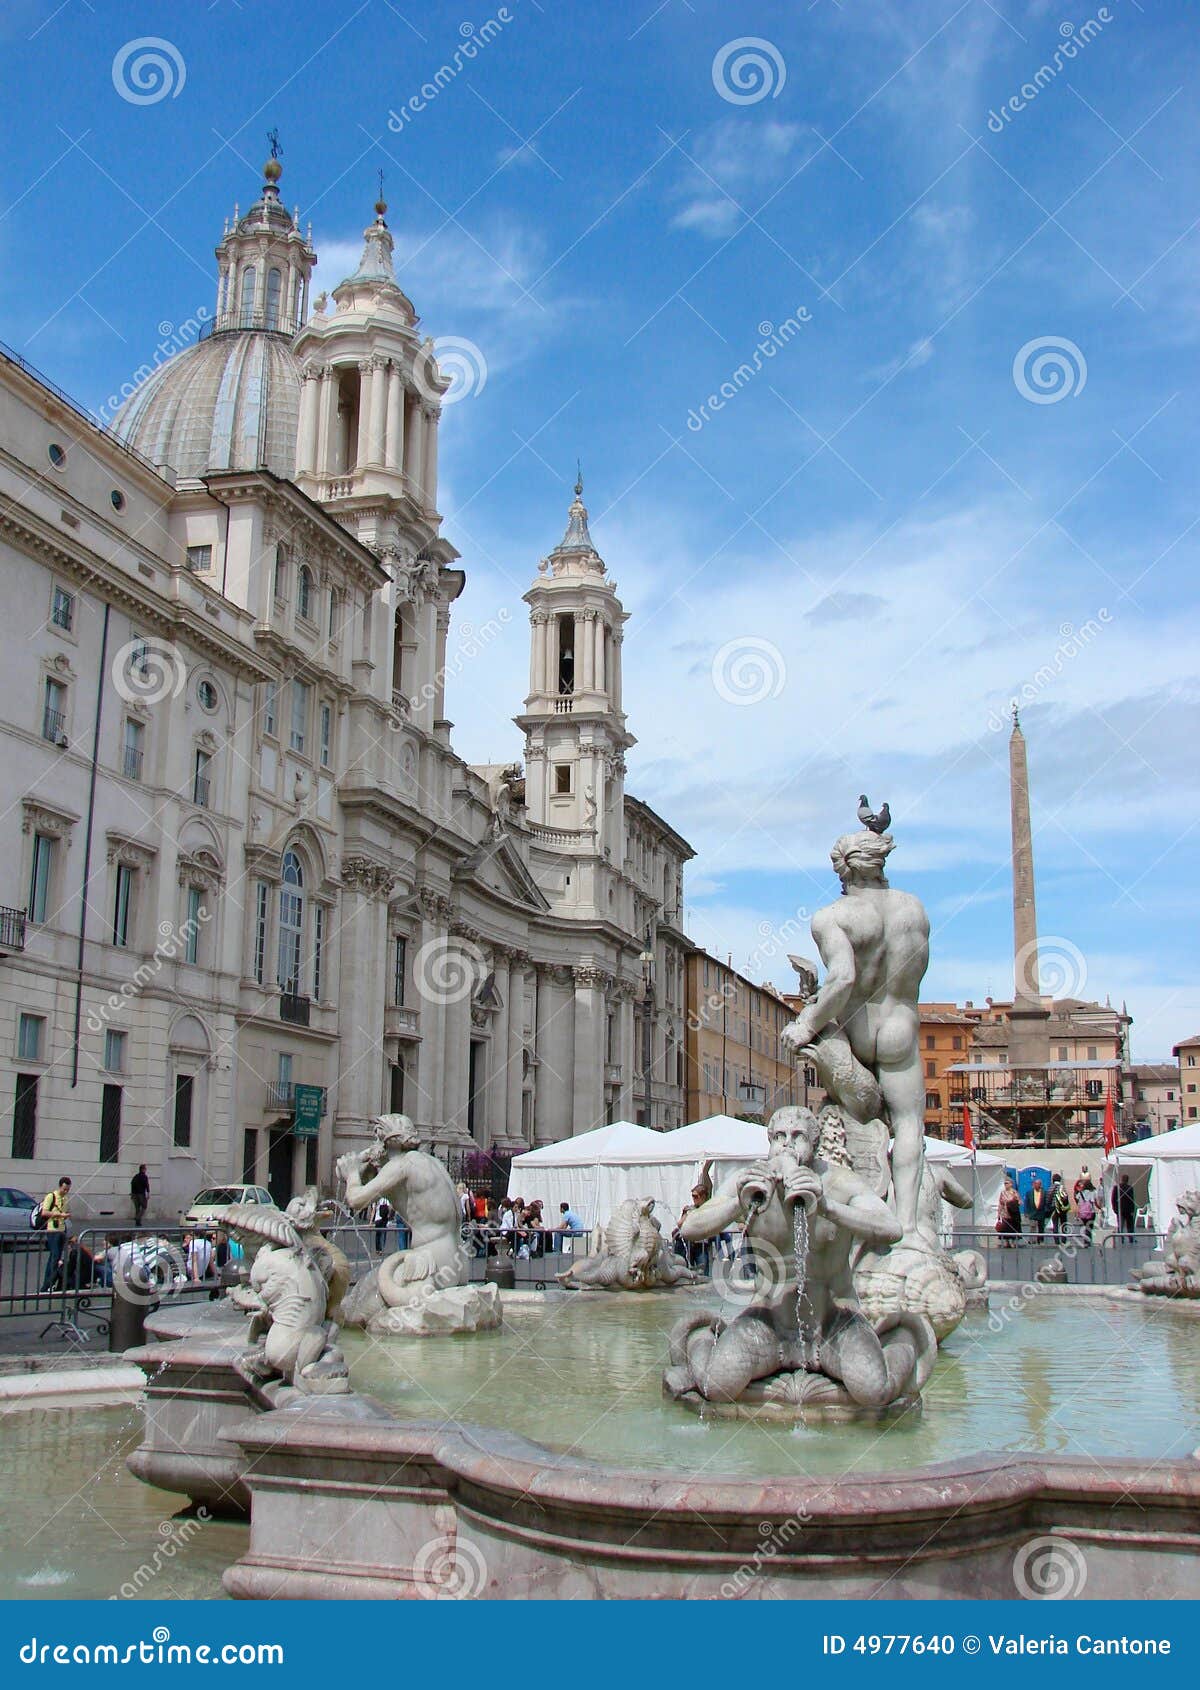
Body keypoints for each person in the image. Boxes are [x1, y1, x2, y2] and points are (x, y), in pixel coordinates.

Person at [780, 829, 930, 1247]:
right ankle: (909, 1230)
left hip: (856, 1031)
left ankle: (841, 1228)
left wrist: (807, 1023)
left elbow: (843, 979)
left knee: (844, 1124)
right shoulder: (914, 911)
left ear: (840, 869)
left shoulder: (833, 917)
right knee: (908, 1125)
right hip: (900, 1026)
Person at [38, 1176, 72, 1291]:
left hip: (62, 1230)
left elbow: (64, 1211)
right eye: (64, 1189)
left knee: (54, 1257)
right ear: (60, 1186)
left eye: (68, 1189)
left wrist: (66, 1215)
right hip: (52, 1230)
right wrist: (59, 1215)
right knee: (55, 1257)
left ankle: (48, 1284)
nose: (66, 1191)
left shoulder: (65, 1199)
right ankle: (46, 1285)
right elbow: (44, 1213)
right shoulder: (51, 1196)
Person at [996, 1177, 1022, 1247]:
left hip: (1013, 1214)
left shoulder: (1014, 1192)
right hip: (1005, 1214)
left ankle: (1013, 1241)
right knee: (1005, 1228)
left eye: (1007, 1183)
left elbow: (1019, 1202)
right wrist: (999, 1213)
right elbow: (1000, 1203)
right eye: (1005, 1183)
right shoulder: (1002, 1193)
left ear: (1011, 1184)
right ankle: (1007, 1242)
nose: (1005, 1185)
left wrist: (1012, 1203)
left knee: (1013, 1228)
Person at [1049, 1172, 1071, 1238]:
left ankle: (1056, 1240)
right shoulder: (1062, 1188)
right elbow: (1066, 1197)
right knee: (1063, 1223)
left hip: (1054, 1208)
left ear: (1053, 1180)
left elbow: (1048, 1198)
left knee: (1055, 1224)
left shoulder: (1051, 1188)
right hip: (1062, 1208)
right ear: (1060, 1180)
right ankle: (1064, 1239)